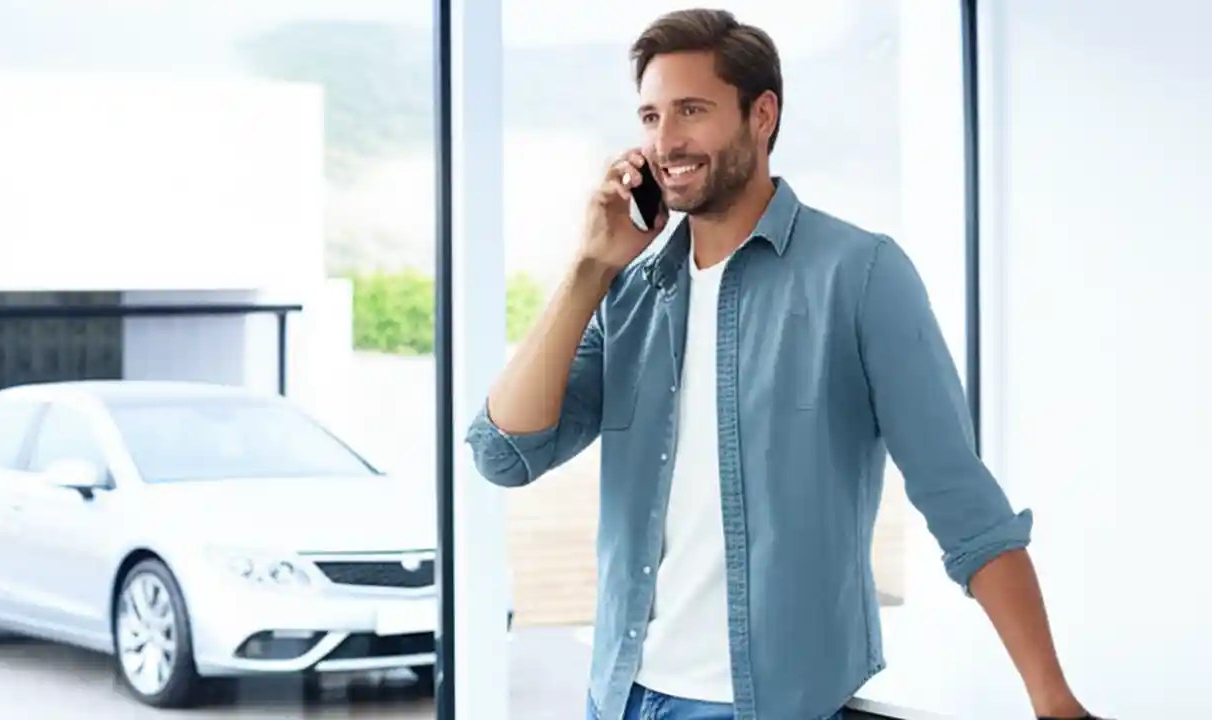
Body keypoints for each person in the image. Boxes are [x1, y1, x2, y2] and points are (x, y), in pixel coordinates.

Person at [466, 9, 1104, 720]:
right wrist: (590, 267)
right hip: (620, 696)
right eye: (650, 116)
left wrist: (1054, 701)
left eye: (692, 110)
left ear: (761, 114)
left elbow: (963, 504)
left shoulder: (859, 276)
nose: (665, 140)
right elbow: (504, 453)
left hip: (767, 705)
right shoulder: (633, 296)